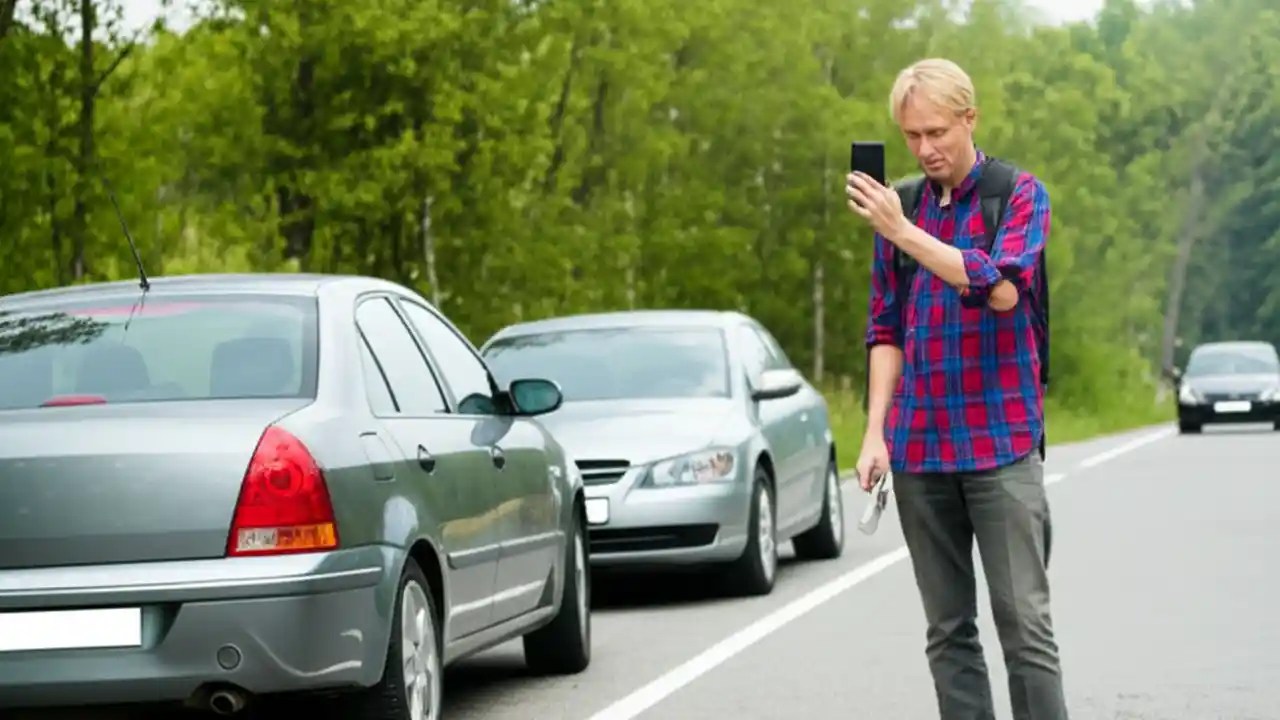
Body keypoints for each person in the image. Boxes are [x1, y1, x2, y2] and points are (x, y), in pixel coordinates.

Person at [844, 58, 1068, 720]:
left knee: (1024, 626)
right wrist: (874, 432)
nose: (924, 149)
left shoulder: (1019, 195)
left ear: (970, 119)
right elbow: (884, 328)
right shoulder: (904, 203)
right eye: (912, 135)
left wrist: (903, 234)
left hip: (1000, 443)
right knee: (948, 632)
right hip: (920, 450)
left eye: (937, 132)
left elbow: (1000, 290)